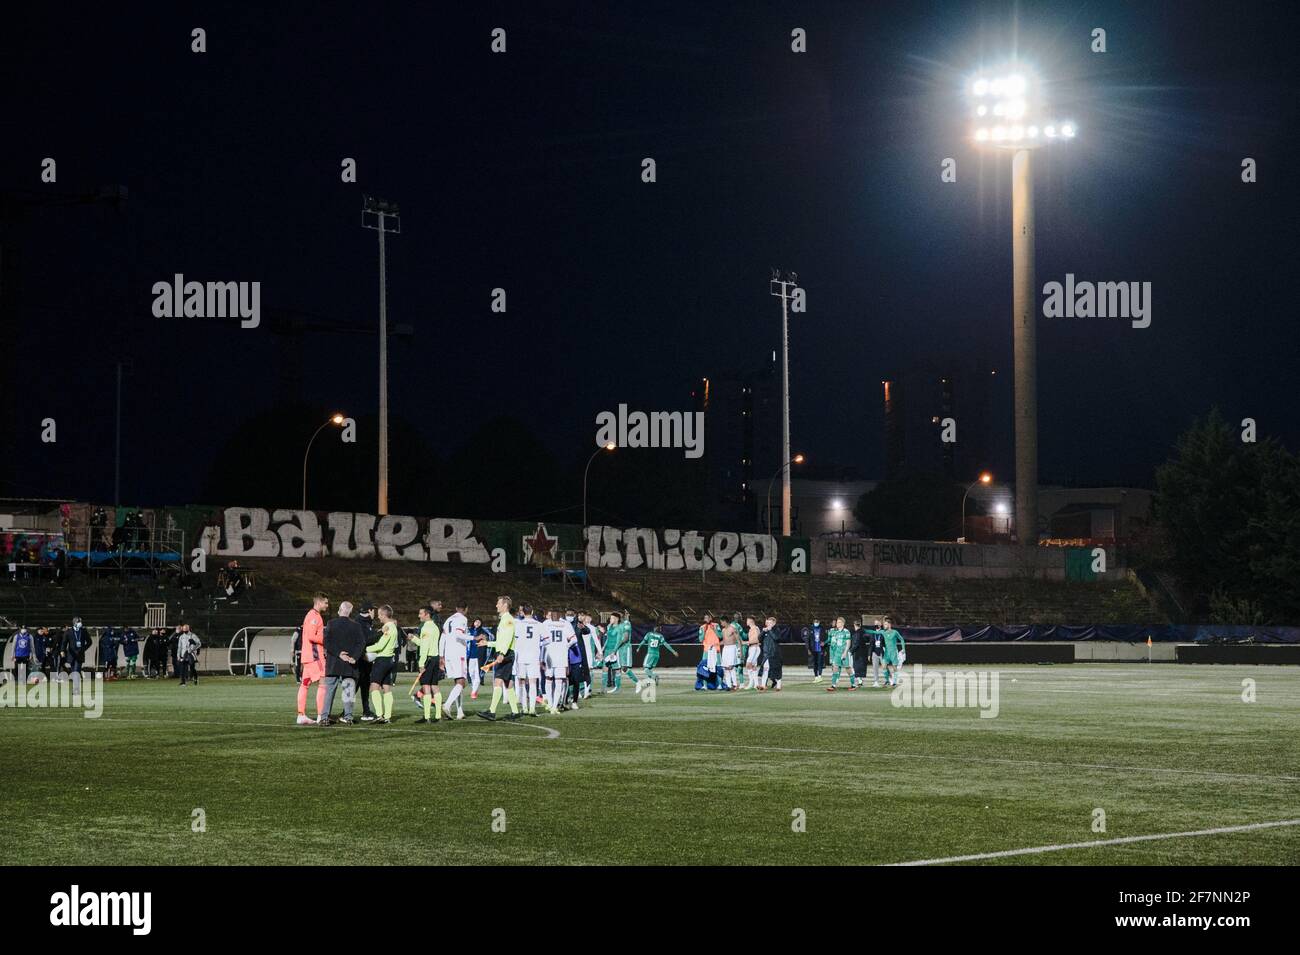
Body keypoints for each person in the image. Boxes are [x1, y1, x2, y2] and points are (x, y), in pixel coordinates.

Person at [476, 595, 521, 721]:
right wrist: (488, 643)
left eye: (498, 603)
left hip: (505, 654)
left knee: (498, 681)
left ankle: (492, 711)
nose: (496, 605)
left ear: (505, 605)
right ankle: (515, 712)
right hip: (505, 652)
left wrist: (502, 653)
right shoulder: (505, 619)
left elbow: (507, 639)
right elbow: (501, 641)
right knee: (508, 683)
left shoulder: (507, 620)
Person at [322, 600, 365, 725]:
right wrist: (354, 657)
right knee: (348, 691)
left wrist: (339, 654)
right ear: (350, 612)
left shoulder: (331, 623)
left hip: (334, 662)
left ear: (339, 610)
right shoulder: (356, 625)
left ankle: (324, 717)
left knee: (330, 690)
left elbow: (327, 642)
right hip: (349, 664)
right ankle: (348, 717)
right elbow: (361, 643)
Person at [296, 593, 329, 725]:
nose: (327, 605)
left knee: (305, 685)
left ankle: (301, 715)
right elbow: (311, 636)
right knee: (323, 683)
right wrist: (326, 640)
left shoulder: (312, 615)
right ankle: (321, 715)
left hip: (308, 656)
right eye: (326, 603)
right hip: (315, 656)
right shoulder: (314, 616)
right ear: (319, 602)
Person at [366, 605, 400, 724]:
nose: (378, 617)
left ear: (384, 615)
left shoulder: (388, 627)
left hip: (382, 660)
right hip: (390, 660)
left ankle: (380, 715)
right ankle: (388, 717)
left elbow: (380, 646)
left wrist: (364, 649)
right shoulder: (393, 627)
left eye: (380, 615)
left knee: (374, 687)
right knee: (386, 688)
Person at [439, 603, 470, 720]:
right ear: (466, 609)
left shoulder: (448, 620)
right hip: (458, 653)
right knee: (462, 683)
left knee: (458, 682)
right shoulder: (463, 619)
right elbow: (459, 634)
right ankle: (447, 705)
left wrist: (441, 657)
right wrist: (473, 638)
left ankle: (460, 712)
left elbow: (442, 638)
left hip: (448, 654)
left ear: (456, 608)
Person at [412, 607, 443, 724]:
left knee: (426, 686)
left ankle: (427, 717)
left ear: (427, 614)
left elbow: (424, 648)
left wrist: (421, 663)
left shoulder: (426, 627)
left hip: (428, 660)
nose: (419, 616)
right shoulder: (435, 627)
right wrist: (414, 639)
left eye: (421, 613)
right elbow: (426, 643)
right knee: (435, 685)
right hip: (435, 658)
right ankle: (438, 716)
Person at [541, 610, 575, 714]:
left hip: (550, 657)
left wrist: (541, 658)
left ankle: (552, 705)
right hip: (560, 657)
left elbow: (542, 643)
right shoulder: (564, 625)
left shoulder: (546, 624)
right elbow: (574, 640)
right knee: (558, 681)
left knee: (549, 679)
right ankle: (554, 706)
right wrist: (566, 646)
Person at [513, 605, 543, 716]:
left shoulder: (518, 624)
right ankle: (532, 708)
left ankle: (524, 708)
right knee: (532, 682)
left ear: (523, 612)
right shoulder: (539, 624)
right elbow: (547, 640)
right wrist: (538, 644)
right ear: (532, 611)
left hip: (521, 656)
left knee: (521, 682)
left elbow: (515, 640)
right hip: (534, 656)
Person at [603, 611, 639, 694]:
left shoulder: (626, 623)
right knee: (617, 668)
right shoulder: (615, 625)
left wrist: (615, 649)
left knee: (624, 668)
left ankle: (637, 682)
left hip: (625, 648)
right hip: (618, 648)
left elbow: (625, 638)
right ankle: (617, 688)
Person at [355, 604, 378, 721]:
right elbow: (365, 640)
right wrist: (379, 633)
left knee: (364, 685)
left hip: (365, 661)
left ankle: (366, 711)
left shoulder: (367, 622)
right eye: (374, 610)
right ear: (369, 610)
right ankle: (346, 712)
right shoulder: (360, 623)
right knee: (354, 686)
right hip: (358, 660)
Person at [825, 617, 854, 691]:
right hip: (837, 653)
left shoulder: (846, 631)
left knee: (848, 668)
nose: (837, 624)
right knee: (835, 668)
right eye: (837, 622)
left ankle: (853, 685)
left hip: (844, 653)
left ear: (842, 623)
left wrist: (845, 653)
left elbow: (848, 643)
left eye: (838, 622)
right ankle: (833, 685)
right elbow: (834, 644)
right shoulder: (836, 632)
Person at [759, 615, 783, 691]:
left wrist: (770, 630)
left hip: (774, 654)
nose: (768, 624)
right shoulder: (766, 630)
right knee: (765, 669)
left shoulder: (777, 630)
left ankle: (779, 685)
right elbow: (759, 638)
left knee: (776, 669)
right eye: (768, 623)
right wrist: (763, 631)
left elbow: (776, 638)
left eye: (770, 623)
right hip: (766, 654)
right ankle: (763, 685)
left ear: (774, 623)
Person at [879, 616, 905, 687]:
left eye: (885, 624)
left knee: (894, 668)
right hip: (887, 652)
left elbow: (902, 639)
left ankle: (894, 682)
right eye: (884, 624)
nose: (884, 626)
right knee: (884, 666)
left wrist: (903, 649)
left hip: (893, 652)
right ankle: (888, 680)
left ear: (889, 625)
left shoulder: (895, 632)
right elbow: (875, 631)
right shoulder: (883, 632)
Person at [466, 617, 487, 701]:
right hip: (470, 655)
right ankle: (474, 689)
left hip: (479, 655)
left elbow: (488, 638)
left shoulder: (483, 631)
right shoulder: (469, 631)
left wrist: (485, 638)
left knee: (478, 674)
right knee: (471, 674)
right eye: (476, 621)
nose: (477, 623)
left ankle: (474, 692)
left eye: (479, 622)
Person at [720, 617, 740, 690]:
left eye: (722, 622)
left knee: (731, 667)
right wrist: (716, 644)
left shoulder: (733, 628)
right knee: (725, 667)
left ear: (725, 621)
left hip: (732, 648)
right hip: (725, 648)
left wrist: (740, 652)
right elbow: (724, 641)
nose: (721, 624)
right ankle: (728, 685)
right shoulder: (723, 630)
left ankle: (735, 684)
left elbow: (738, 640)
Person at [803, 618, 826, 684]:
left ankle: (820, 676)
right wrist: (808, 649)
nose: (816, 623)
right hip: (813, 649)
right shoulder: (810, 629)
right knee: (815, 663)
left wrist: (825, 649)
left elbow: (825, 639)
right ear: (813, 622)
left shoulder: (822, 629)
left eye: (817, 621)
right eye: (815, 622)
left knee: (820, 663)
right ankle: (816, 676)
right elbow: (807, 640)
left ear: (819, 622)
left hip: (820, 649)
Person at [698, 613, 721, 679]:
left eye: (708, 618)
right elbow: (700, 639)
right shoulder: (702, 627)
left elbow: (720, 636)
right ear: (704, 619)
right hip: (706, 650)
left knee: (718, 667)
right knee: (705, 667)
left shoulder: (716, 625)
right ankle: (706, 685)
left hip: (716, 649)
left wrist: (714, 630)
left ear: (711, 618)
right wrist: (704, 631)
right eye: (705, 618)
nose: (707, 619)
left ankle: (719, 684)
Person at [743, 616, 761, 689]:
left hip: (755, 648)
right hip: (752, 648)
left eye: (747, 620)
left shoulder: (755, 628)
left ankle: (751, 683)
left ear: (751, 621)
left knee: (748, 664)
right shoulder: (751, 629)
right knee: (753, 666)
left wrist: (745, 642)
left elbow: (757, 640)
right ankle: (756, 684)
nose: (746, 622)